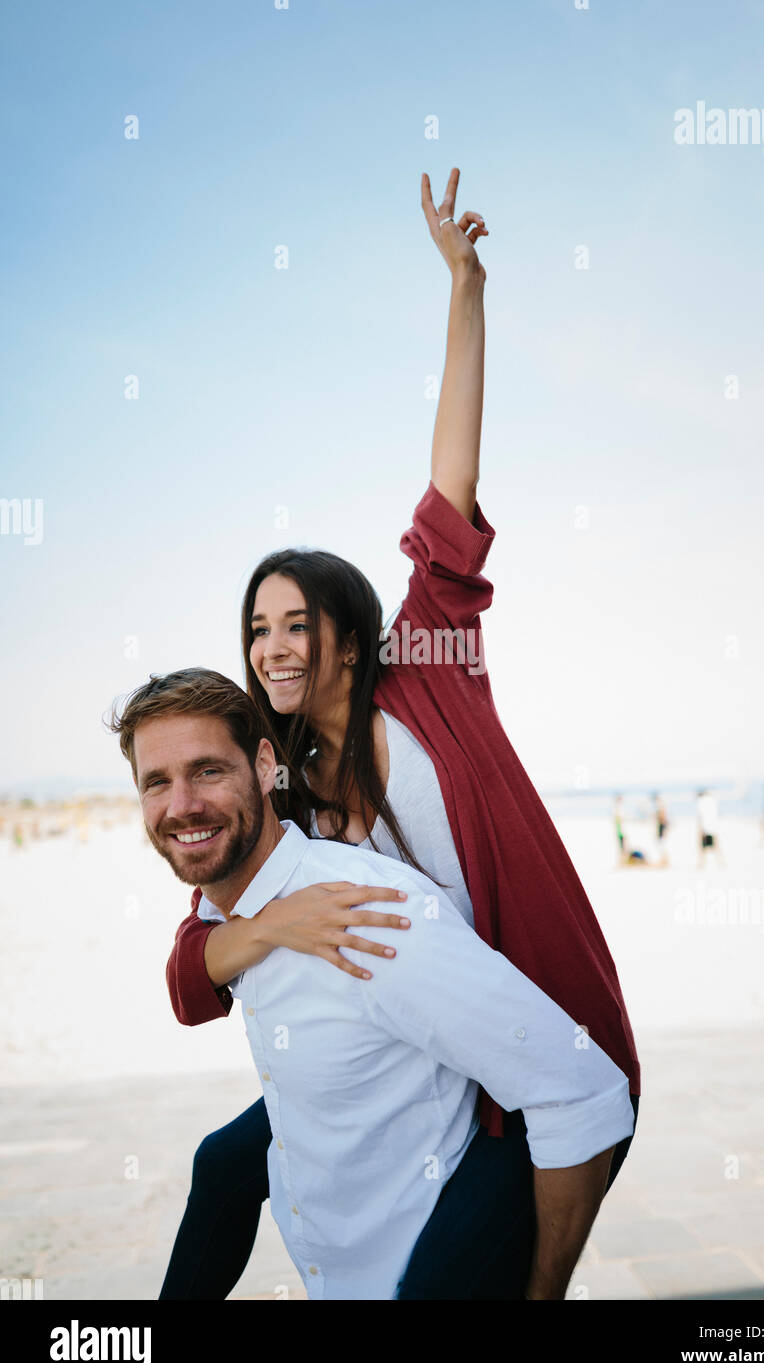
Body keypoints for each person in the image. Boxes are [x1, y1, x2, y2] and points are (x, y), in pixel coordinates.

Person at [154, 168, 641, 1300]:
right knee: (226, 1164)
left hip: (532, 1043)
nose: (273, 644)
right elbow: (189, 973)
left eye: (295, 620)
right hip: (426, 1055)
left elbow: (450, 484)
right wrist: (274, 928)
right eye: (255, 627)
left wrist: (464, 287)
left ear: (346, 626)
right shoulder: (283, 785)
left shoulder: (429, 672)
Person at [111, 668, 636, 1301]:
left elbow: (581, 1092)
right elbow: (187, 978)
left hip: (418, 1272)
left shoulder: (366, 916)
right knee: (221, 1162)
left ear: (265, 765)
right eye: (156, 783)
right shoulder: (224, 913)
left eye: (208, 771)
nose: (182, 804)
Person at [696, 788, 724, 867]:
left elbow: (701, 817)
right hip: (713, 827)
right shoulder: (712, 801)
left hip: (706, 827)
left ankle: (701, 863)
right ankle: (721, 862)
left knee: (702, 847)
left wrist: (700, 829)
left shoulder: (701, 802)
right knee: (716, 846)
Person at [652, 791, 670, 868]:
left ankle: (664, 860)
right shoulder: (661, 806)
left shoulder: (660, 806)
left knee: (661, 844)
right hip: (661, 826)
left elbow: (663, 818)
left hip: (661, 827)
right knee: (661, 844)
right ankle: (664, 859)